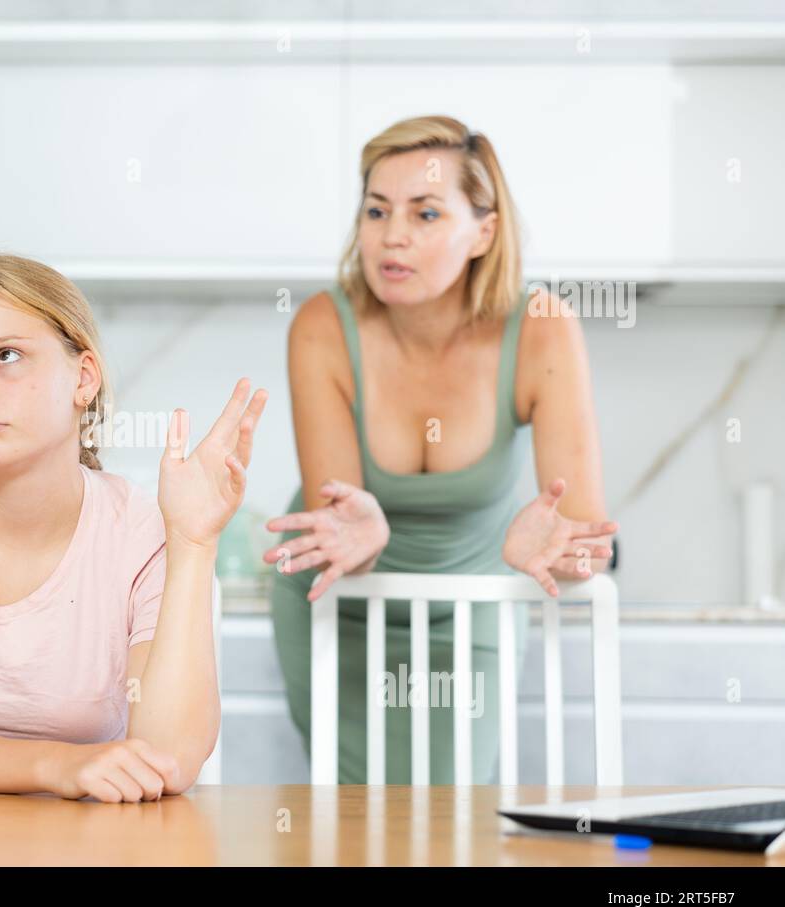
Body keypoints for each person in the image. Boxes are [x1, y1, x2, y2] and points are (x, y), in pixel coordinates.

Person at [264, 116, 618, 784]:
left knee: (451, 817)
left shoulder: (542, 330)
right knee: (348, 816)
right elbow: (335, 525)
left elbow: (584, 548)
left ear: (483, 232)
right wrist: (358, 535)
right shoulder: (322, 326)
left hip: (471, 601)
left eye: (426, 213)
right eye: (376, 210)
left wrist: (557, 553)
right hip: (336, 601)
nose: (392, 235)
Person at [0, 252, 268, 802]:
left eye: (7, 355)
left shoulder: (140, 529)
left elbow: (168, 756)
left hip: (100, 842)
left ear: (83, 378)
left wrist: (192, 542)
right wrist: (62, 767)